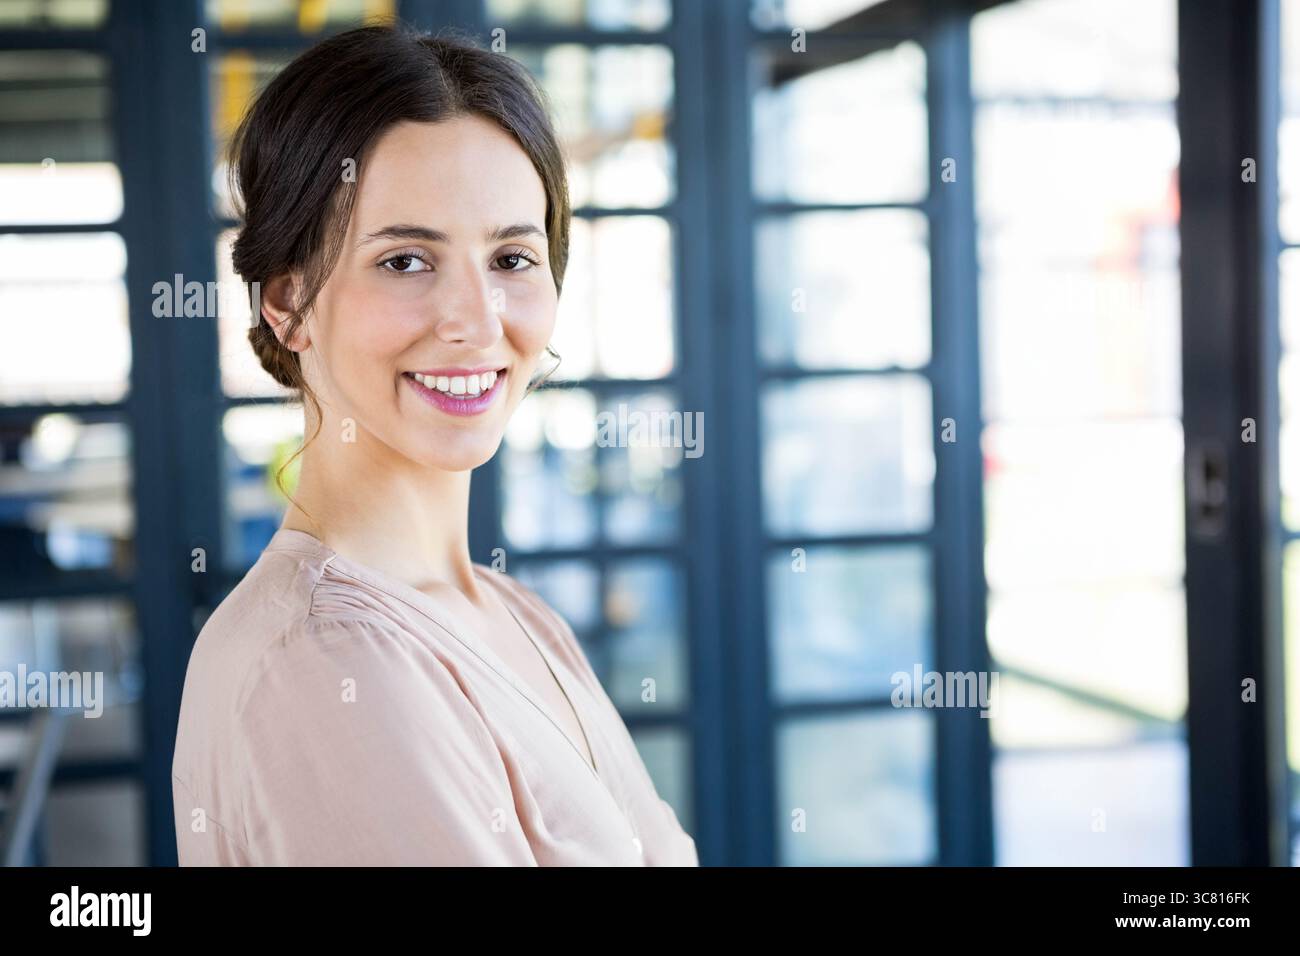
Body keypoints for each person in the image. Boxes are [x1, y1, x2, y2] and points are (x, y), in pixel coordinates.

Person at [171, 23, 698, 866]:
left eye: (513, 257)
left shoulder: (518, 616)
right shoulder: (323, 661)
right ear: (287, 302)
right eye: (407, 261)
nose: (476, 322)